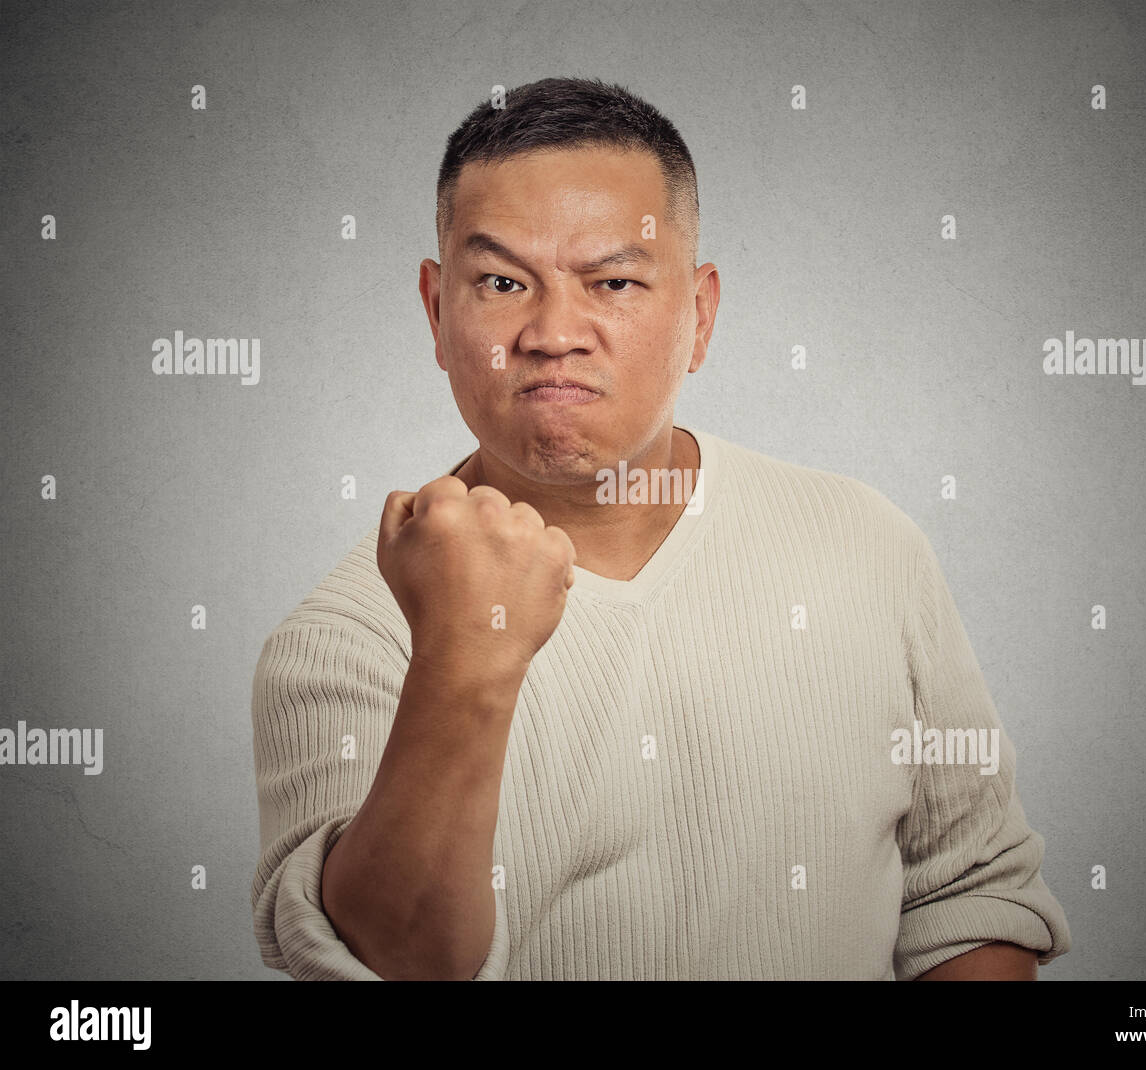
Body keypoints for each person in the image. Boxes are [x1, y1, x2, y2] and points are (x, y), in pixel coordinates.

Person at [249, 76, 1071, 981]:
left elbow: (967, 899)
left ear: (701, 313)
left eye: (614, 281)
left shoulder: (868, 547)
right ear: (438, 312)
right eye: (501, 281)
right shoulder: (341, 640)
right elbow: (387, 965)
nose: (554, 332)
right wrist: (462, 656)